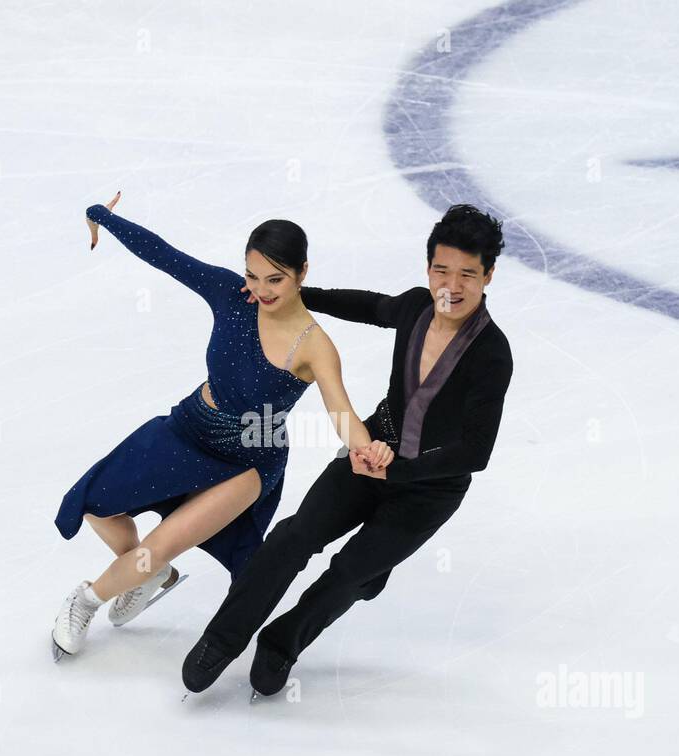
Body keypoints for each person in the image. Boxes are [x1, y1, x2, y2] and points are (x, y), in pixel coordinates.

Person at [181, 204, 513, 696]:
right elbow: (369, 306)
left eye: (467, 273)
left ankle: (281, 643)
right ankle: (223, 637)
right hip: (370, 447)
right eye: (441, 270)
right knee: (295, 535)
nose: (451, 285)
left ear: (488, 276)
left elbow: (475, 452)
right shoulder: (416, 307)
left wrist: (397, 474)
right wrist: (297, 294)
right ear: (428, 268)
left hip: (428, 489)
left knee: (353, 573)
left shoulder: (492, 353)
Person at [50, 192, 393, 661]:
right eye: (253, 275)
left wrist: (364, 448)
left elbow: (341, 412)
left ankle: (85, 600)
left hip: (249, 458)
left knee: (160, 546)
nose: (262, 290)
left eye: (276, 279)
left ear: (303, 273)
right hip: (189, 427)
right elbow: (165, 255)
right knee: (95, 504)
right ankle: (145, 575)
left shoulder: (315, 346)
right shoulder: (233, 295)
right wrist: (102, 218)